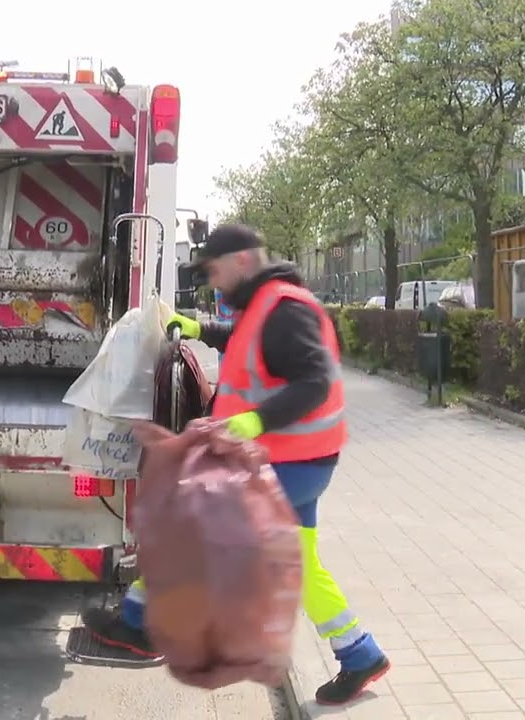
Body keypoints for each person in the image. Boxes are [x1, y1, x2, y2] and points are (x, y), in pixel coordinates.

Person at [81, 224, 391, 706]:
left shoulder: (285, 309)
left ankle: (137, 624)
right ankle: (359, 654)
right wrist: (199, 328)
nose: (211, 279)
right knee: (303, 564)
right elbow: (249, 345)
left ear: (243, 260)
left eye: (214, 269)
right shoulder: (264, 304)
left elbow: (313, 381)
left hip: (283, 460)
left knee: (191, 529)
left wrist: (252, 422)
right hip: (297, 462)